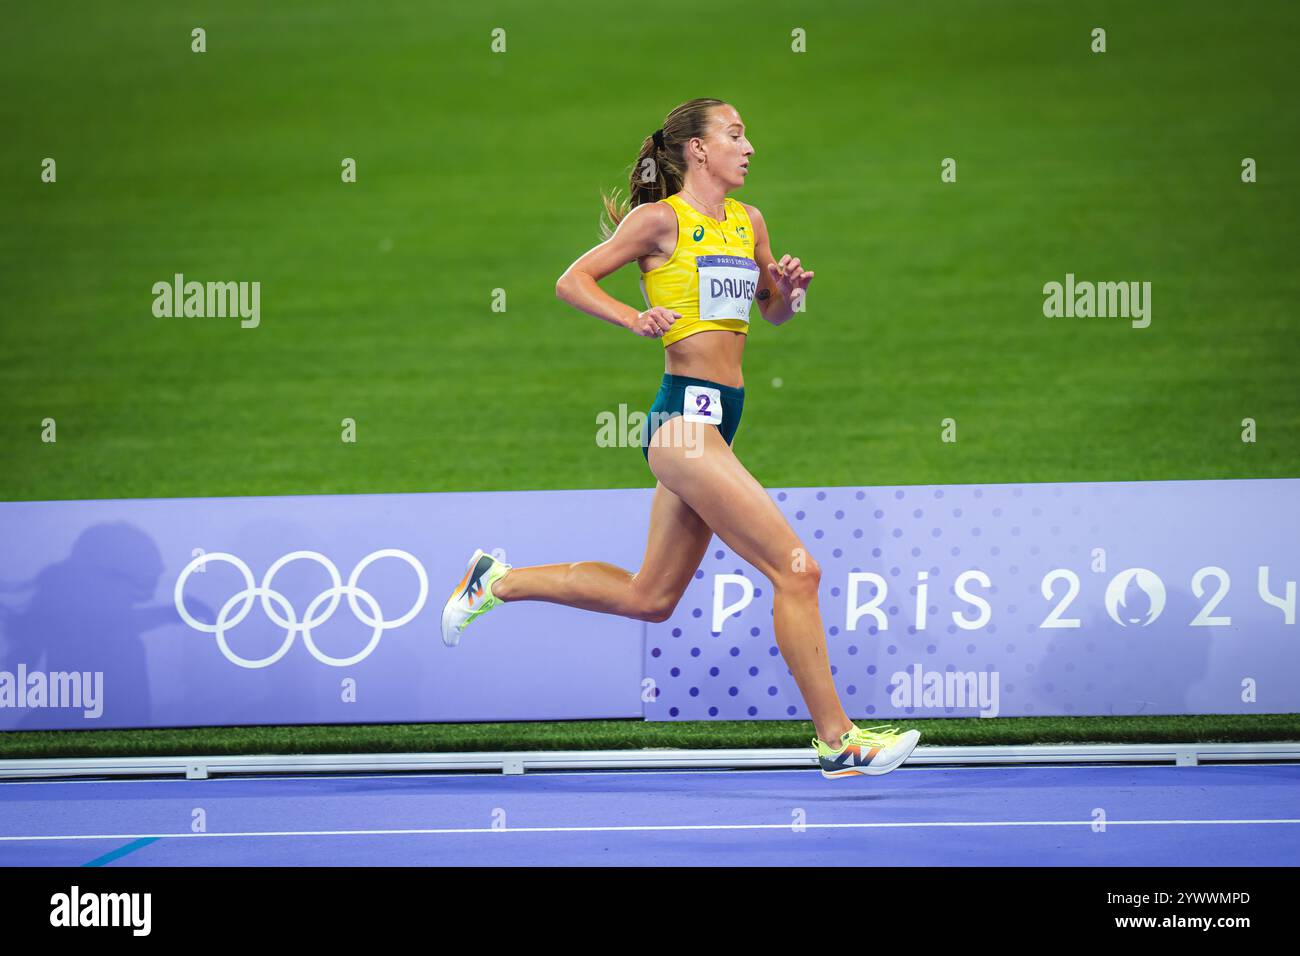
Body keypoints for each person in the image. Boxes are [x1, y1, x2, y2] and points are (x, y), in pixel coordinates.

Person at [441, 98, 919, 778]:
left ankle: (498, 581)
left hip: (721, 419)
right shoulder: (659, 221)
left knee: (650, 598)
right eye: (734, 134)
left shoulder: (748, 222)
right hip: (682, 425)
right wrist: (632, 317)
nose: (748, 146)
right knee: (798, 571)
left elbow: (774, 317)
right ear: (697, 149)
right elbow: (572, 280)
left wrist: (784, 290)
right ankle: (837, 739)